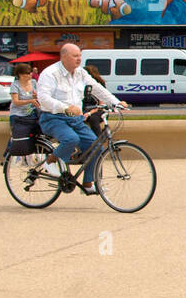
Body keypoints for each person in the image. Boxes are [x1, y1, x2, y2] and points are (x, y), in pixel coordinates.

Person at [35, 43, 129, 195]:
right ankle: (50, 161)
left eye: (80, 55)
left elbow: (97, 87)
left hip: (75, 119)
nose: (79, 59)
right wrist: (65, 107)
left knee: (96, 147)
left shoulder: (80, 73)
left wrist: (116, 102)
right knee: (70, 139)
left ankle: (88, 183)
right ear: (64, 57)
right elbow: (43, 98)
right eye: (75, 56)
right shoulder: (50, 73)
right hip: (53, 118)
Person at [8, 63, 40, 146]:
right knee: (17, 135)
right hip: (18, 114)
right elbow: (16, 101)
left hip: (31, 112)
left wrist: (37, 96)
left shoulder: (33, 82)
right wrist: (30, 101)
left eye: (31, 72)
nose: (31, 74)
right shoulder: (15, 85)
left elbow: (39, 96)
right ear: (21, 75)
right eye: (28, 73)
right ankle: (8, 156)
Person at [81, 64, 110, 137]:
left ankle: (98, 138)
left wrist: (89, 113)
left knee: (93, 119)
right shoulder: (81, 86)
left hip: (98, 110)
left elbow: (100, 105)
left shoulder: (99, 86)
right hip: (84, 110)